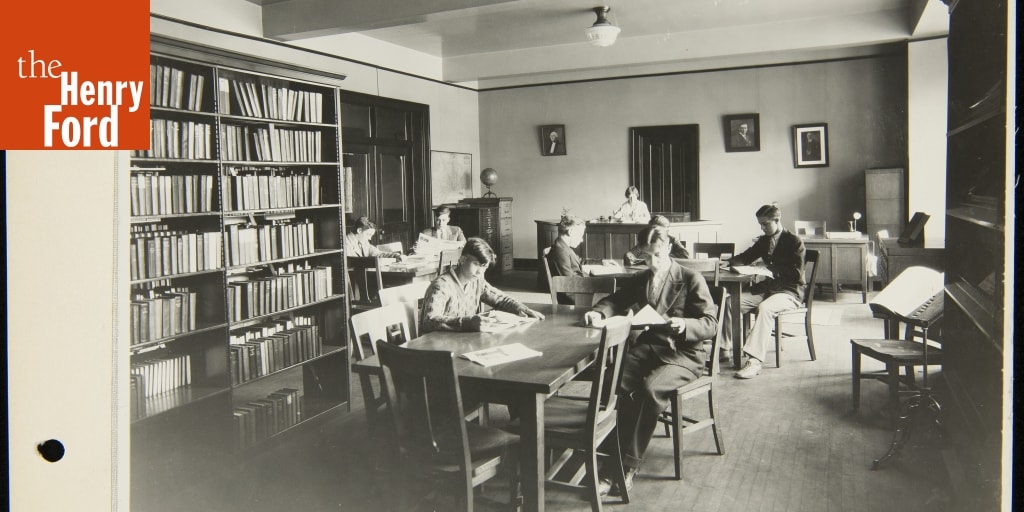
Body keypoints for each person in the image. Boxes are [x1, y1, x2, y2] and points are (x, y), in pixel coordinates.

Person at [583, 226, 718, 496]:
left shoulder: (690, 278)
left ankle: (625, 466)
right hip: (651, 348)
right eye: (646, 257)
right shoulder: (643, 277)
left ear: (667, 248)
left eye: (657, 256)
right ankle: (606, 449)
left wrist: (685, 323)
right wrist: (598, 313)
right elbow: (616, 299)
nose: (652, 263)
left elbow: (710, 323)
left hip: (684, 354)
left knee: (649, 389)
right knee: (613, 381)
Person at [725, 203, 806, 379]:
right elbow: (746, 257)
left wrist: (770, 269)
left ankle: (754, 362)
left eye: (765, 224)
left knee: (765, 309)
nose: (762, 228)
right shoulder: (763, 241)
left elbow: (797, 274)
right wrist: (728, 262)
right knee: (729, 303)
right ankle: (724, 348)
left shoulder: (794, 241)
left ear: (777, 220)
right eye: (760, 224)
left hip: (789, 292)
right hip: (768, 290)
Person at [421, 237, 545, 334]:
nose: (480, 272)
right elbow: (429, 321)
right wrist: (468, 322)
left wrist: (522, 308)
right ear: (462, 260)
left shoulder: (477, 282)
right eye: (476, 264)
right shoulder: (441, 286)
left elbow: (501, 299)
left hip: (463, 341)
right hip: (438, 347)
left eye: (484, 267)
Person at [545, 214, 587, 304]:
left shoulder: (564, 246)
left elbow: (579, 261)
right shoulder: (560, 251)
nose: (582, 240)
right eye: (580, 235)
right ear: (571, 231)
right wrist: (590, 278)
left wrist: (602, 262)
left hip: (577, 290)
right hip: (574, 297)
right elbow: (569, 282)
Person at [624, 215, 689, 264]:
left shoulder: (672, 240)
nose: (653, 233)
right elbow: (634, 252)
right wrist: (629, 256)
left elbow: (685, 255)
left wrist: (662, 256)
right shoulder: (648, 239)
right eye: (651, 229)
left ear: (666, 230)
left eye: (657, 230)